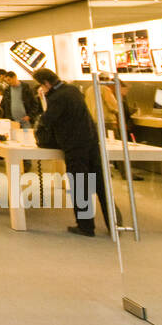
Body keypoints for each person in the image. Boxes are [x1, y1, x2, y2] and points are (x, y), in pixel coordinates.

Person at [33, 67, 112, 237]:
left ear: (46, 83)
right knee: (100, 184)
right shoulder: (73, 90)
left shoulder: (57, 97)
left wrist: (44, 100)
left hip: (74, 146)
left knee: (80, 185)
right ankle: (113, 223)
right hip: (91, 142)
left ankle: (85, 226)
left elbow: (48, 119)